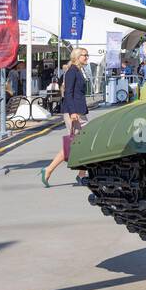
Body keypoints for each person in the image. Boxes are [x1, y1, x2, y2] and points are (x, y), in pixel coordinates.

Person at [41, 47, 89, 187]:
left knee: (80, 143)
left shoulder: (78, 71)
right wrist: (73, 112)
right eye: (84, 55)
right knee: (76, 143)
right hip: (73, 112)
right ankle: (49, 169)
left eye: (87, 55)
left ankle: (81, 174)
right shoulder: (72, 72)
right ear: (77, 56)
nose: (87, 57)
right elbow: (68, 93)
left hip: (79, 111)